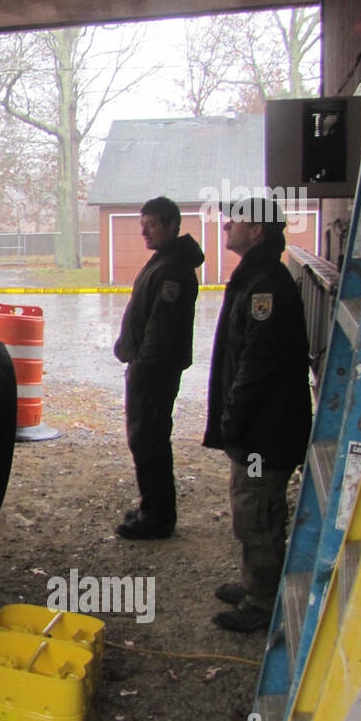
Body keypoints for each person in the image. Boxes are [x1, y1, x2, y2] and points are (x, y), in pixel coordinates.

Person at [203, 197, 312, 632]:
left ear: (259, 232)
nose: (228, 225)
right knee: (249, 505)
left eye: (238, 221)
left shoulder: (265, 283)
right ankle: (256, 583)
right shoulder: (256, 275)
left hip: (265, 431)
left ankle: (263, 602)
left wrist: (234, 417)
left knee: (258, 513)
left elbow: (257, 361)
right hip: (260, 426)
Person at [113, 196, 205, 539]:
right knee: (146, 439)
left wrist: (142, 367)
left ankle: (158, 517)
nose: (143, 232)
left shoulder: (173, 269)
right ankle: (151, 506)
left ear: (171, 225)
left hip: (154, 371)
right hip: (147, 367)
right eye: (142, 224)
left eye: (150, 225)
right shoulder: (166, 261)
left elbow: (162, 331)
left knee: (149, 440)